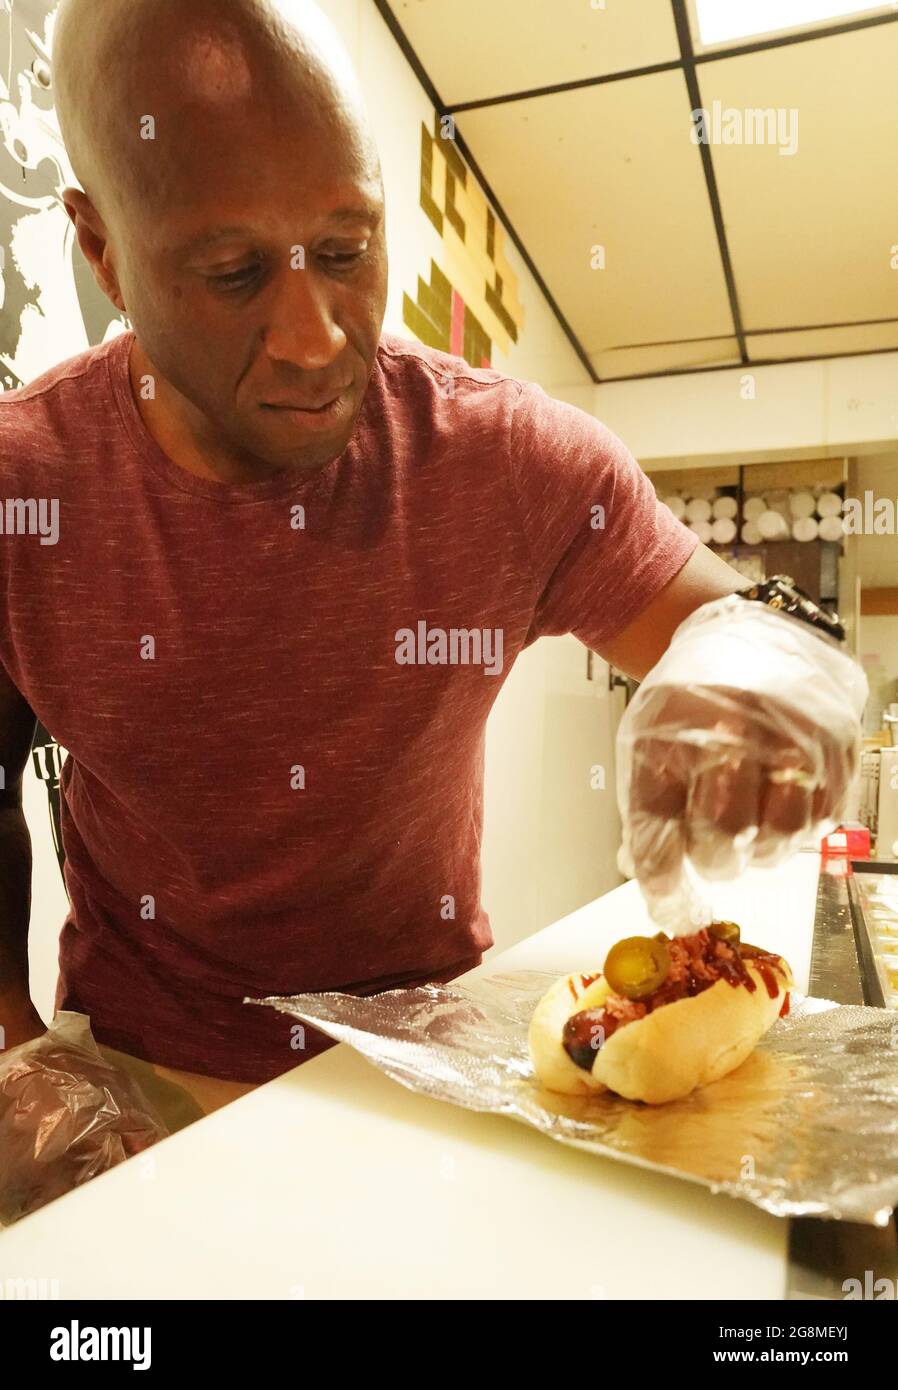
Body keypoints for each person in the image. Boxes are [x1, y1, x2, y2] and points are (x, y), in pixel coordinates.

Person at [0, 0, 865, 1122]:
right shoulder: (25, 488)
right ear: (103, 250)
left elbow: (749, 625)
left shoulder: (505, 456)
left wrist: (758, 680)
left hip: (426, 1064)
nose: (315, 337)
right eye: (230, 272)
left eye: (348, 250)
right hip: (134, 1073)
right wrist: (14, 1057)